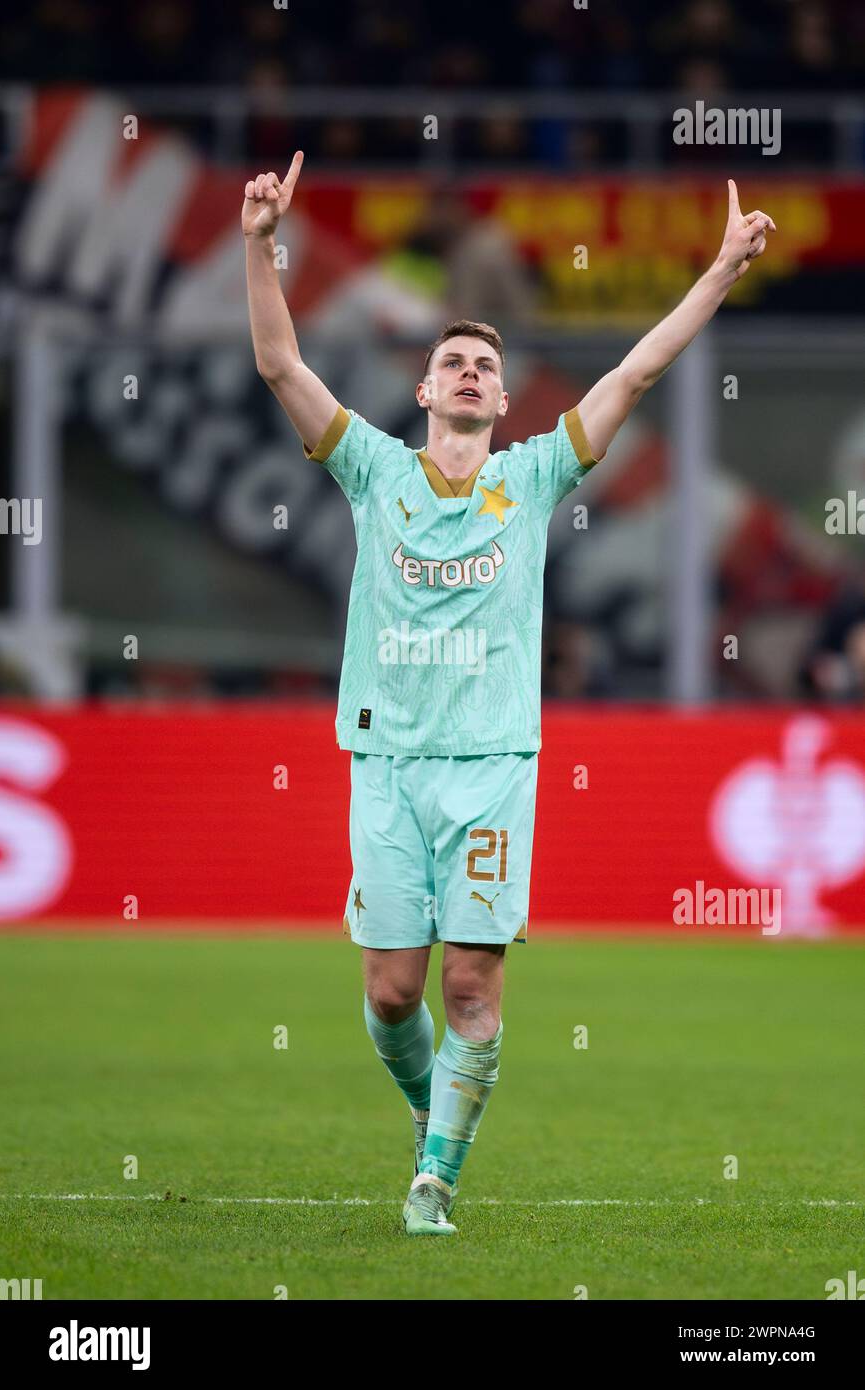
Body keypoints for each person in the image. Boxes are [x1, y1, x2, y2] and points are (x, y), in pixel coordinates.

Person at [244, 154, 774, 1235]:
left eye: (485, 361)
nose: (471, 372)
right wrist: (259, 244)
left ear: (499, 390)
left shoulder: (531, 474)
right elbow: (277, 361)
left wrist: (717, 271)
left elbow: (631, 374)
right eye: (453, 360)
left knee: (471, 988)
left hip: (491, 768)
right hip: (387, 763)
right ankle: (430, 1112)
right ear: (424, 389)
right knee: (392, 990)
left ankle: (434, 1178)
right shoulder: (372, 469)